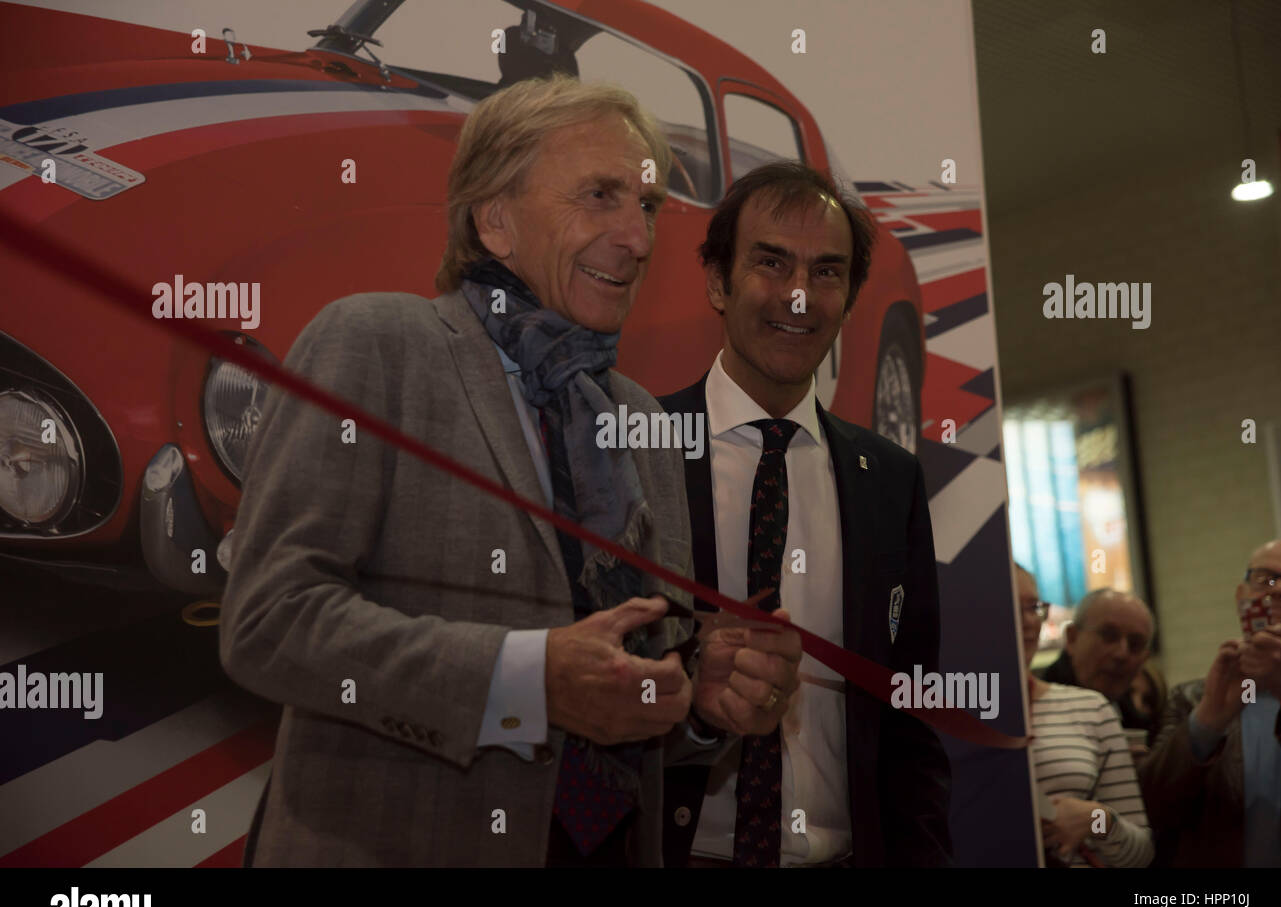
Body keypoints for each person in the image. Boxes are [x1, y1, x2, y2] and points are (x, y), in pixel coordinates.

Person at [219, 76, 800, 867]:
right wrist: (523, 681)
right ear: (495, 219)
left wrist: (697, 698)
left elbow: (634, 708)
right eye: (600, 195)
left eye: (648, 206)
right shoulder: (376, 346)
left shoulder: (645, 423)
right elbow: (269, 621)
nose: (637, 237)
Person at [658, 161, 952, 867]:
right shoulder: (640, 447)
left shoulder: (892, 482)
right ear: (717, 281)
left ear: (849, 297)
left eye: (826, 272)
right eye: (770, 263)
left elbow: (910, 724)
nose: (798, 295)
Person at [1140, 539, 1281, 866]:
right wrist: (1208, 719)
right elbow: (1150, 811)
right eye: (1266, 578)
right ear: (1241, 596)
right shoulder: (1192, 699)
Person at [1016, 564, 1154, 867]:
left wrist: (1096, 820)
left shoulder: (1092, 709)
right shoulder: (947, 711)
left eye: (1033, 608)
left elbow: (1141, 852)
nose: (1027, 621)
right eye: (1013, 606)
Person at [1034, 587, 1158, 743]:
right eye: (1109, 636)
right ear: (1072, 638)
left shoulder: (1140, 723)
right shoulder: (1033, 714)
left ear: (1144, 659)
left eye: (1135, 644)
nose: (1121, 654)